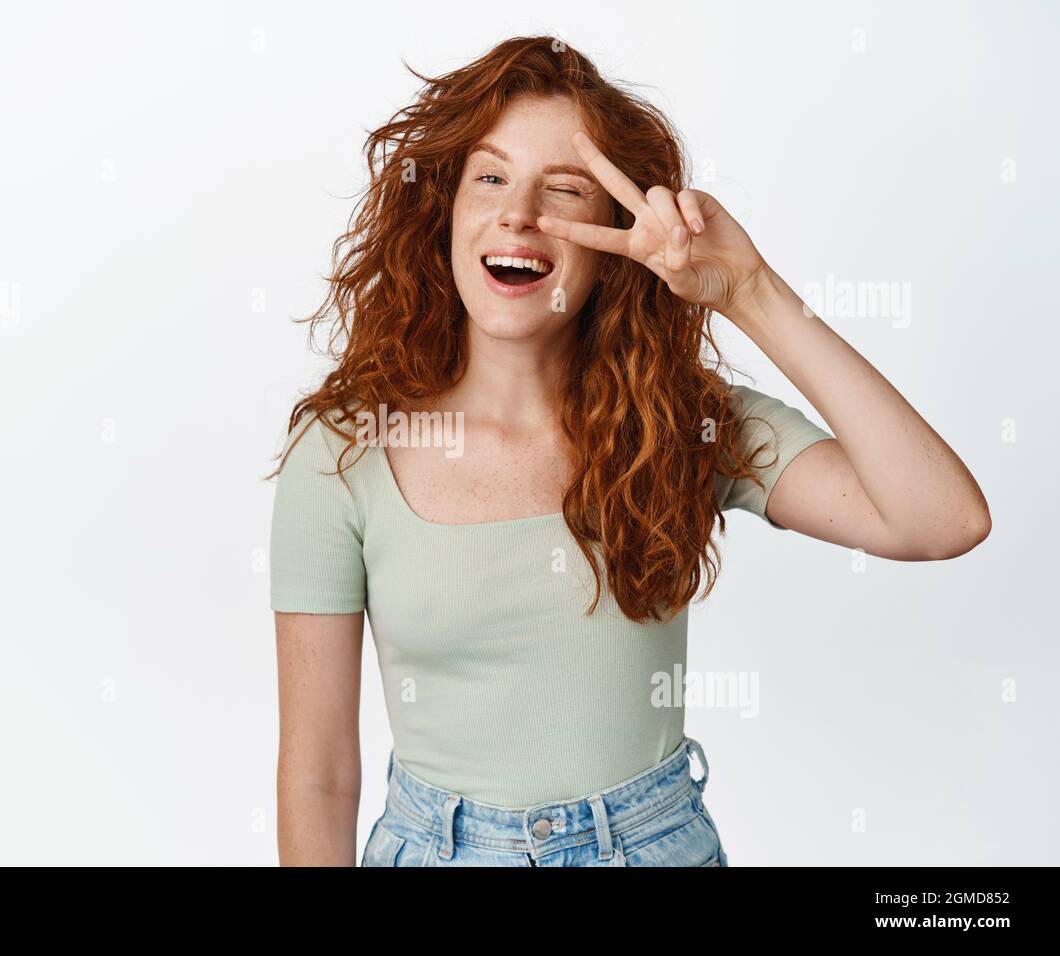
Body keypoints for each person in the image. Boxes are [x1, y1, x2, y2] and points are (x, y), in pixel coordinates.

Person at [268, 36, 990, 867]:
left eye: (564, 190)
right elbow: (317, 775)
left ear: (617, 236)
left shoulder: (685, 422)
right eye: (491, 178)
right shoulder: (342, 453)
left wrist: (751, 292)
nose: (519, 215)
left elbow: (943, 520)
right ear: (446, 212)